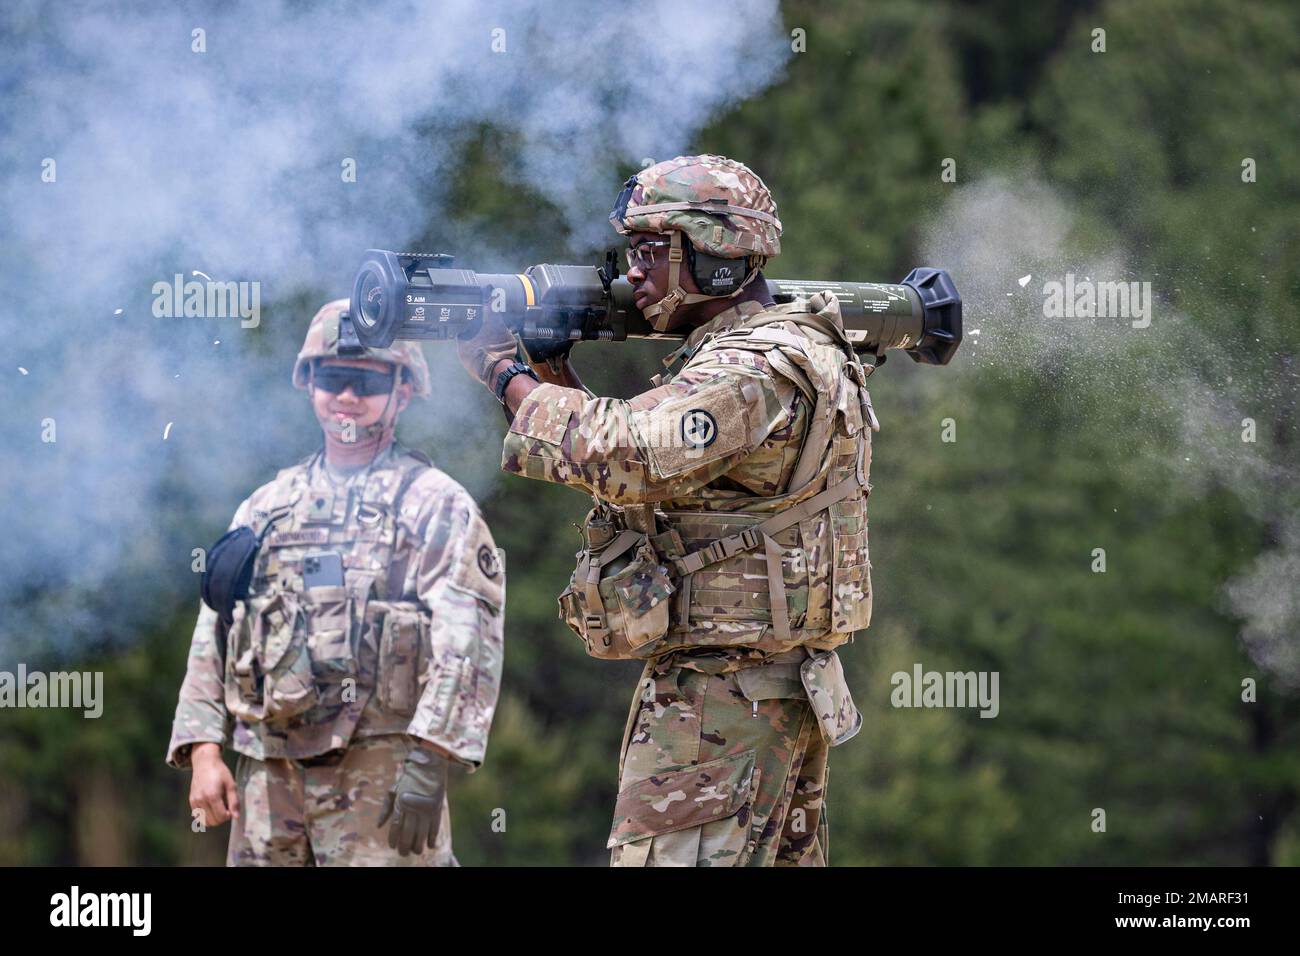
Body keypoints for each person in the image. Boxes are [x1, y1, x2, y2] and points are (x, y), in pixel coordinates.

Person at [457, 154, 874, 866]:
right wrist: (556, 375)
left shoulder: (749, 366)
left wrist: (504, 374)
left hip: (720, 708)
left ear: (713, 257)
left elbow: (630, 456)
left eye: (653, 254)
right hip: (760, 696)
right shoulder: (792, 347)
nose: (633, 275)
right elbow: (662, 486)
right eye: (632, 254)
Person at [168, 299, 504, 866]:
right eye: (332, 377)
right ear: (309, 384)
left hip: (380, 773)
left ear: (402, 390)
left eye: (364, 381)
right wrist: (203, 750)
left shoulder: (434, 505)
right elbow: (216, 630)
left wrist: (429, 760)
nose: (347, 395)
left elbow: (468, 641)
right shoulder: (266, 507)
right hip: (266, 777)